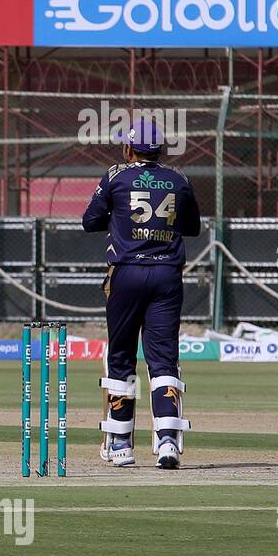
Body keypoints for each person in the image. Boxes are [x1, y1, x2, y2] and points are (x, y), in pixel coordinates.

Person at [83, 119, 200, 470]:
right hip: (167, 274)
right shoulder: (179, 179)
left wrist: (121, 218)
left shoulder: (116, 175)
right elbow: (192, 227)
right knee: (162, 359)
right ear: (160, 150)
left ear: (129, 149)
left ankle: (120, 443)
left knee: (120, 355)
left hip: (126, 273)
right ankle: (167, 441)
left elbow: (89, 221)